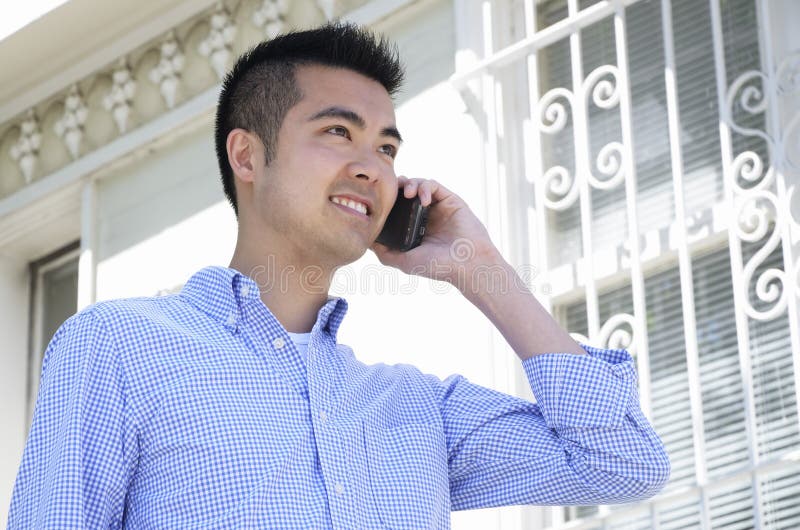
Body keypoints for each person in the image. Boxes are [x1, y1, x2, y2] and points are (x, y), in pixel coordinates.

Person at [8, 23, 669, 529]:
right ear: (248, 154)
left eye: (386, 147)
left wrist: (481, 269)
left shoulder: (417, 410)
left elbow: (622, 462)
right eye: (337, 132)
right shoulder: (120, 348)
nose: (373, 168)